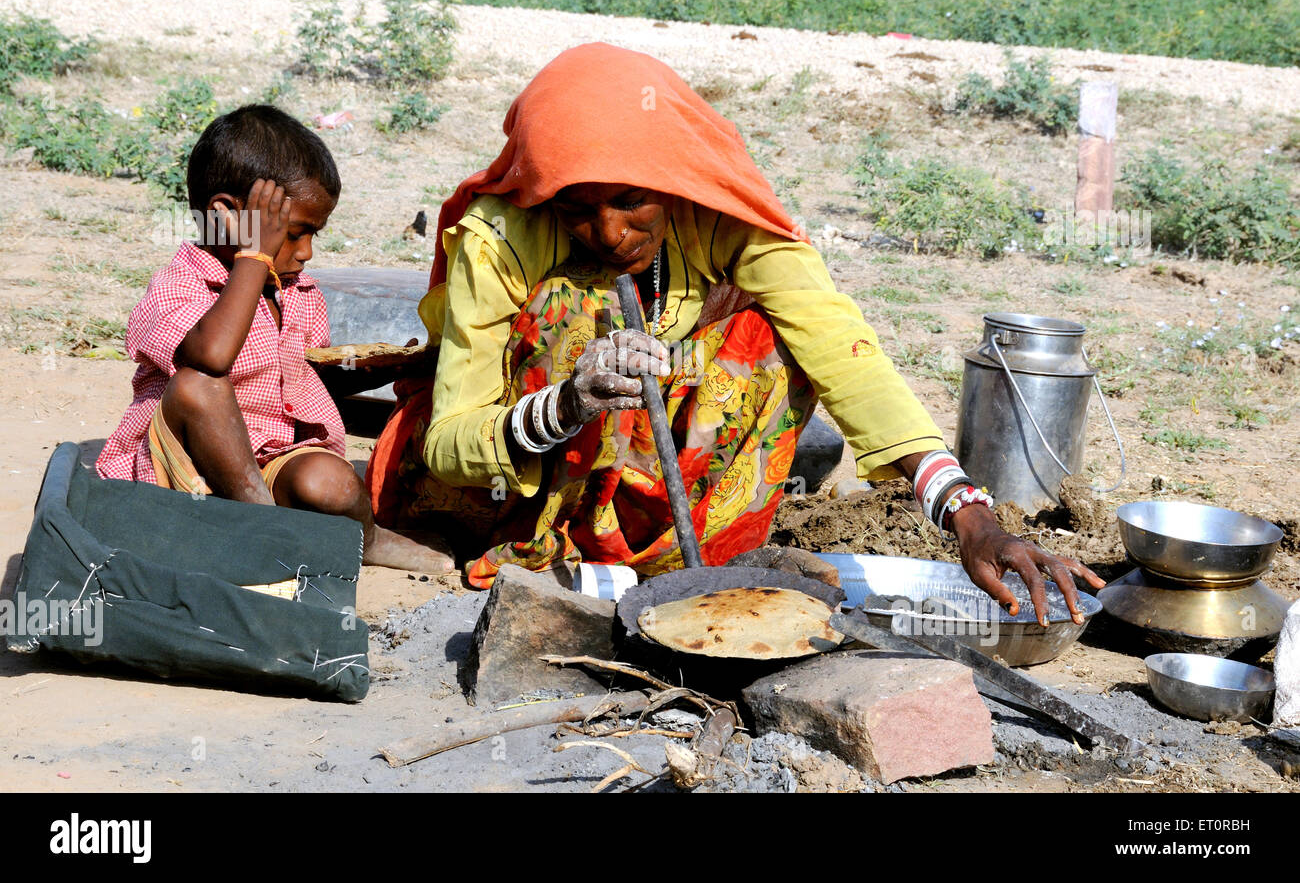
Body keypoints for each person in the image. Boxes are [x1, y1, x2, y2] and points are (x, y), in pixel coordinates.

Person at [367, 43, 1102, 623]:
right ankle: (546, 562)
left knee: (774, 335)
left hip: (657, 477)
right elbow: (450, 440)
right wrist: (567, 404)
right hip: (512, 493)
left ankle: (666, 567)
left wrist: (969, 515)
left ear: (671, 179)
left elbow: (841, 347)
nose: (610, 232)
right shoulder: (497, 237)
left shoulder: (718, 213)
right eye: (577, 209)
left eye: (632, 201)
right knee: (569, 306)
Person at [96, 105, 451, 574]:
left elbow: (297, 387)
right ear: (228, 217)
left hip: (268, 465)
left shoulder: (298, 293)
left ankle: (364, 538)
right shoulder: (178, 284)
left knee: (334, 484)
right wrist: (255, 257)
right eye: (293, 233)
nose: (306, 253)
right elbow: (211, 358)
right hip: (181, 475)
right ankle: (267, 538)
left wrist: (363, 374)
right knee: (197, 386)